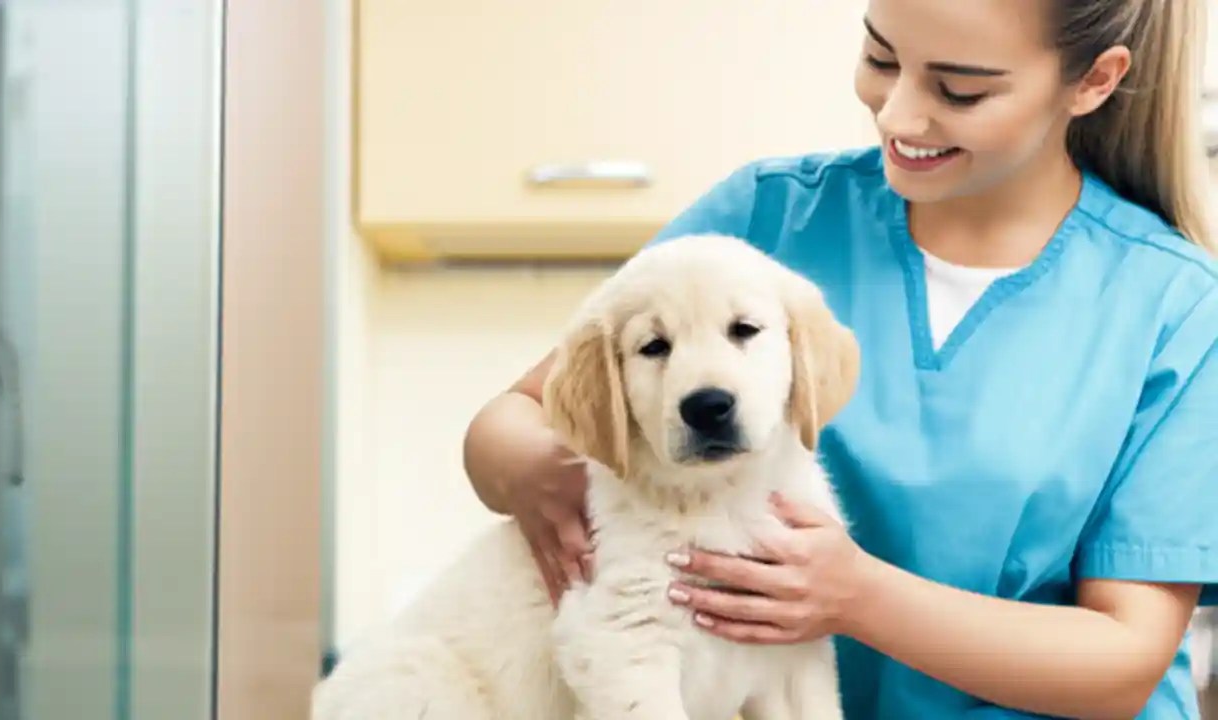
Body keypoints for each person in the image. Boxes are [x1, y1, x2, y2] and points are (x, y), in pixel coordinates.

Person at [462, 0, 1218, 717]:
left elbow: (1124, 662)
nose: (897, 114)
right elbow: (515, 417)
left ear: (1093, 81)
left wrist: (856, 597)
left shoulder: (1173, 305)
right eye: (880, 58)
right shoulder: (767, 215)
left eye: (958, 89)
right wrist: (548, 479)